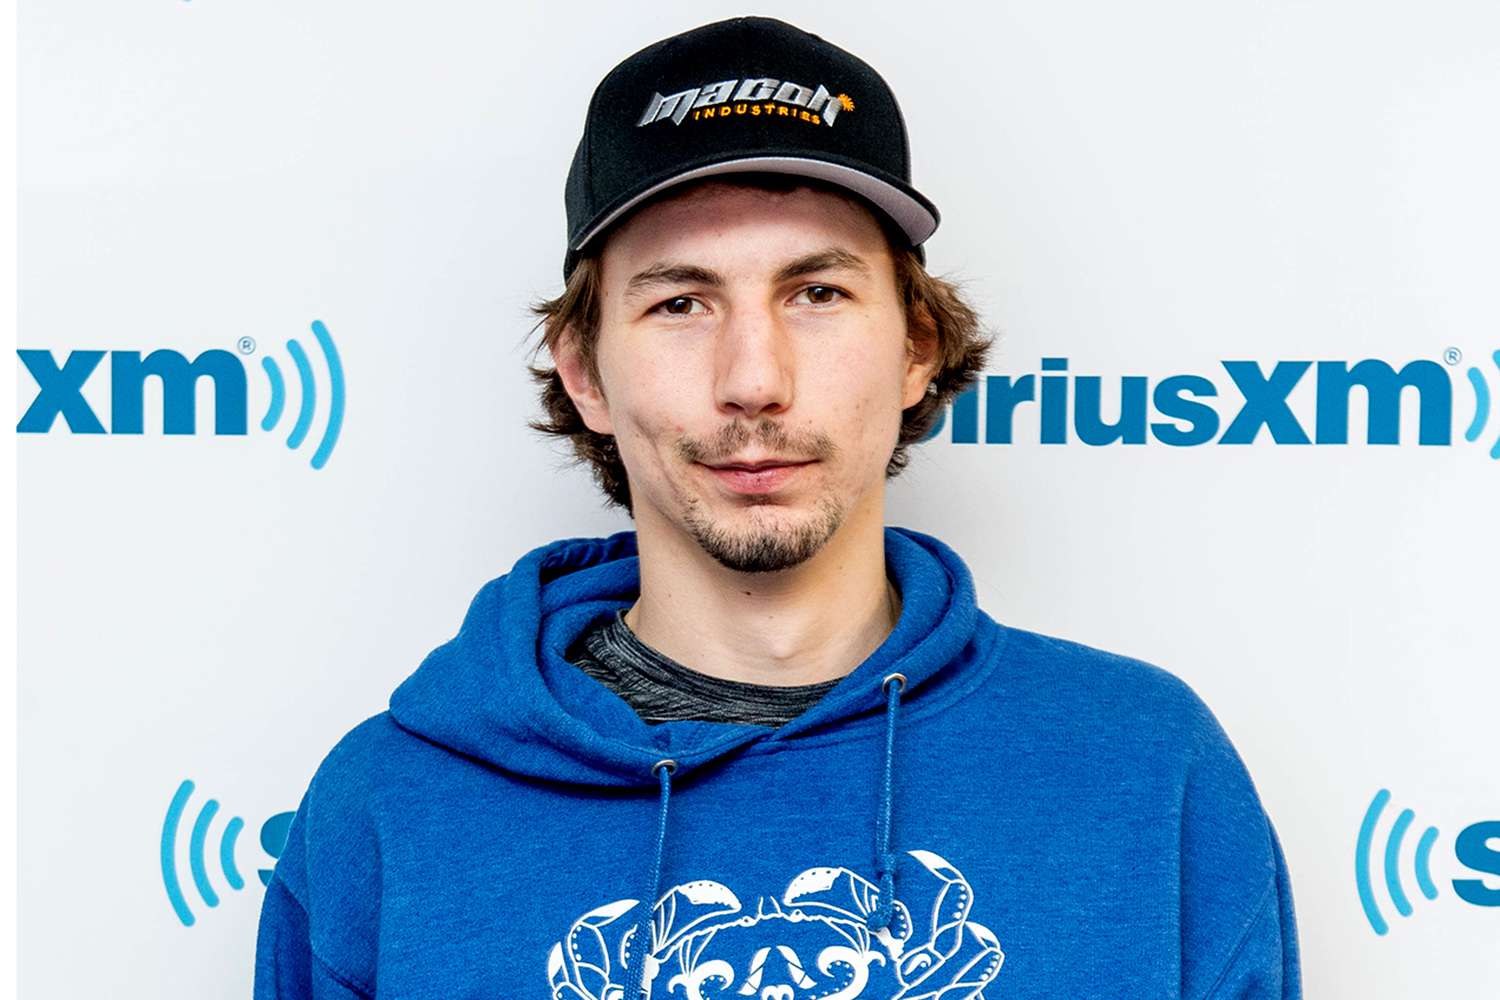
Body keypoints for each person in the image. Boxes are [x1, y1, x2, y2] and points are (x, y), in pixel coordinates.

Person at [253, 16, 1301, 999]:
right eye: (681, 302)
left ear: (916, 348)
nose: (754, 379)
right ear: (584, 373)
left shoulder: (1147, 772)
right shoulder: (388, 809)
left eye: (817, 293)